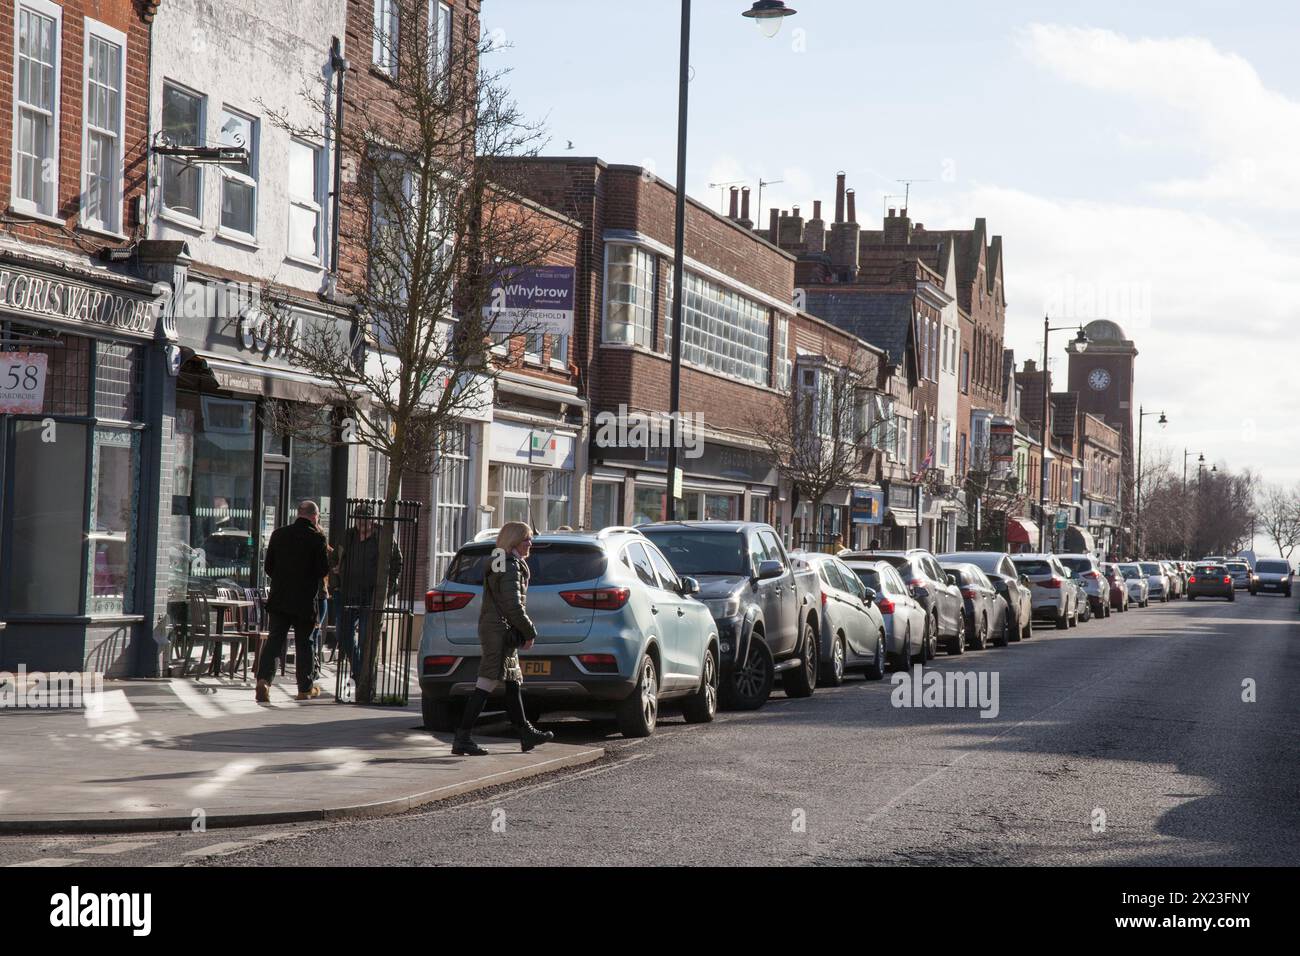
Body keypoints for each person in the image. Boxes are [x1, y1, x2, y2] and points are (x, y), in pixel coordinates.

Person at [452, 521, 554, 756]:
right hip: (499, 631)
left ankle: (525, 732)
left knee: (512, 682)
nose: (531, 543)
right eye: (527, 539)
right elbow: (512, 605)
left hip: (497, 629)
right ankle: (463, 738)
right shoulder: (510, 565)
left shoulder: (502, 561)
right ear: (515, 541)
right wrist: (529, 632)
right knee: (486, 682)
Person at [258, 500, 330, 702]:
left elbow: (269, 567)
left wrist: (283, 579)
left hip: (279, 598)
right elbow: (322, 570)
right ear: (315, 516)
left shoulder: (279, 534)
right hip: (304, 601)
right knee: (304, 643)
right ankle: (304, 688)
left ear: (298, 514)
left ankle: (264, 680)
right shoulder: (317, 538)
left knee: (274, 640)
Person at [334, 504, 403, 692]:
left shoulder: (382, 536)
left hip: (370, 597)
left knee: (366, 639)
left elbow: (397, 561)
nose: (361, 522)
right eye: (358, 519)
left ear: (373, 519)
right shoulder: (348, 536)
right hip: (347, 594)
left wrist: (387, 587)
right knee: (343, 635)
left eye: (365, 518)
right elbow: (335, 558)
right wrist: (336, 575)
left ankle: (365, 681)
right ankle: (358, 672)